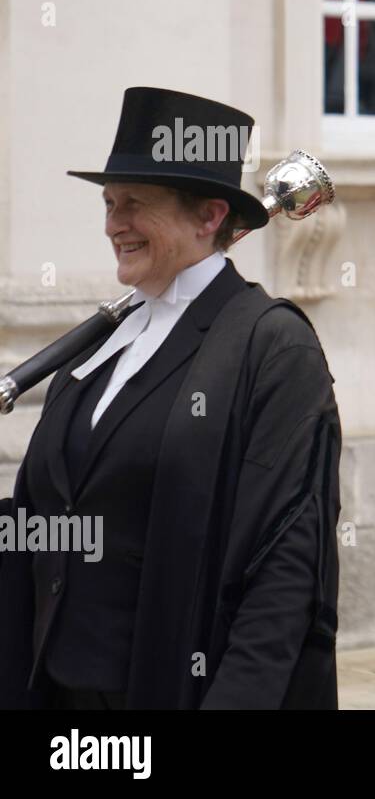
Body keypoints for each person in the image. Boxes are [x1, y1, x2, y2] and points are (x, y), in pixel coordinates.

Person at [0, 87, 341, 709]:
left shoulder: (274, 347)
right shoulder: (105, 343)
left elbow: (286, 569)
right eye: (108, 204)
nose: (112, 225)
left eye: (133, 204)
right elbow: (55, 513)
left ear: (209, 217)